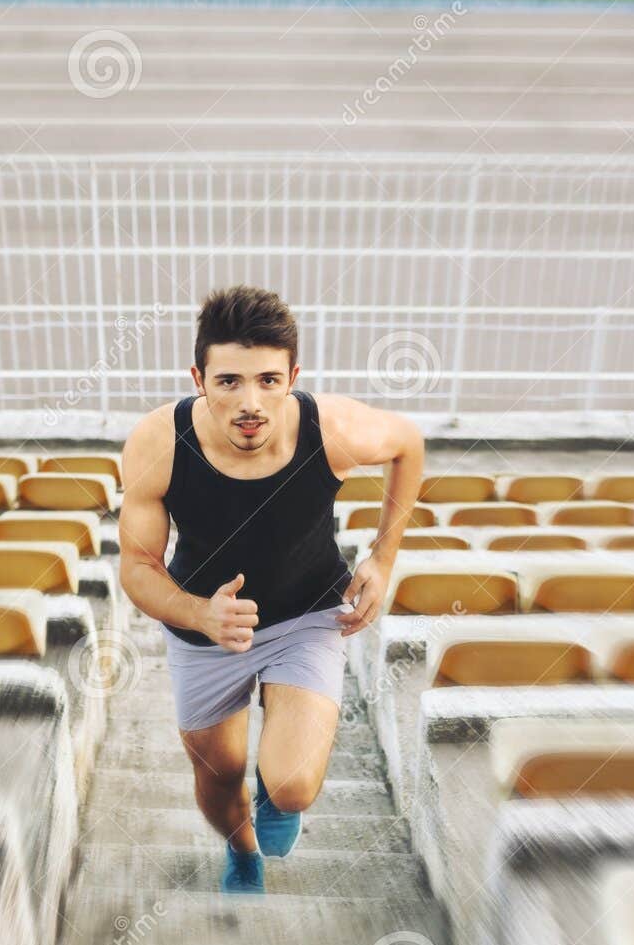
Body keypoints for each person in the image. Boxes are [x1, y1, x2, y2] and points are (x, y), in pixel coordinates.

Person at [118, 285, 425, 893]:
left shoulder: (331, 428)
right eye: (229, 381)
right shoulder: (158, 443)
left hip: (306, 613)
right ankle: (242, 851)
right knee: (219, 776)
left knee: (291, 784)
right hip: (203, 626)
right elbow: (137, 565)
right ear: (198, 378)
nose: (249, 402)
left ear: (293, 377)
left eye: (268, 380)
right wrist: (200, 614)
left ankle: (278, 791)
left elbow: (408, 444)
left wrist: (384, 560)